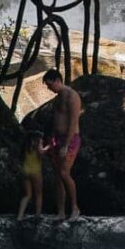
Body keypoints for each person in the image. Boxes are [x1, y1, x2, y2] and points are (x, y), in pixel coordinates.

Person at [43, 69, 82, 221]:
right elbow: (55, 121)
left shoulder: (72, 96)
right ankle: (60, 212)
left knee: (64, 173)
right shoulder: (58, 98)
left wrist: (66, 144)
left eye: (50, 85)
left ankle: (75, 208)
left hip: (70, 139)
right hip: (57, 138)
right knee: (58, 176)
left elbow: (73, 122)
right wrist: (51, 141)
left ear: (58, 81)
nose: (49, 88)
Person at [17, 131, 48, 220]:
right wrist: (49, 146)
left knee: (27, 195)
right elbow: (41, 152)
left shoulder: (26, 145)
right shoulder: (38, 143)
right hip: (36, 172)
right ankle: (37, 215)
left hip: (25, 171)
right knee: (38, 194)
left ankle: (20, 215)